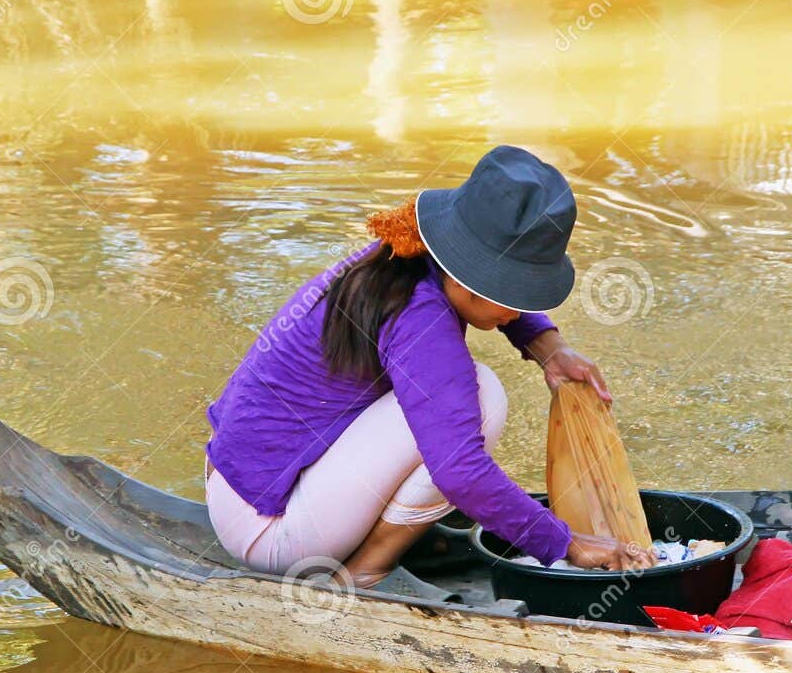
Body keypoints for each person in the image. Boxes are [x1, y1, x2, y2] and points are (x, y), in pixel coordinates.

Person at [205, 145, 655, 589]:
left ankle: (386, 537)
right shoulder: (421, 320)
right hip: (267, 528)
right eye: (514, 295)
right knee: (481, 395)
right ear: (465, 274)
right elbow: (459, 470)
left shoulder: (406, 260)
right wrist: (566, 544)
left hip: (249, 487)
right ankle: (366, 569)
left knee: (454, 404)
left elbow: (492, 306)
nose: (517, 312)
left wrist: (550, 349)